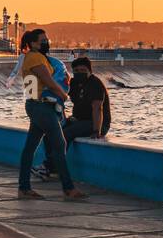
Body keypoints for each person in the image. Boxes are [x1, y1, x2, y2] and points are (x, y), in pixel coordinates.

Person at [17, 28, 86, 200]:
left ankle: (24, 188)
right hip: (41, 107)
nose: (46, 43)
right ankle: (68, 188)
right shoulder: (35, 58)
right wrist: (63, 95)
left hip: (36, 105)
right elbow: (48, 80)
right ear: (33, 43)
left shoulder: (34, 57)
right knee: (59, 144)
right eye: (43, 40)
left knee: (30, 147)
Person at [33, 56, 110, 178]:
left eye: (83, 70)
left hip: (96, 123)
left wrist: (97, 131)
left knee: (66, 134)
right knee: (51, 131)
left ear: (90, 71)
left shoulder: (95, 84)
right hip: (78, 120)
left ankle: (49, 167)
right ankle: (53, 167)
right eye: (77, 71)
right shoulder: (74, 83)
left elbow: (97, 108)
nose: (80, 73)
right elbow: (61, 91)